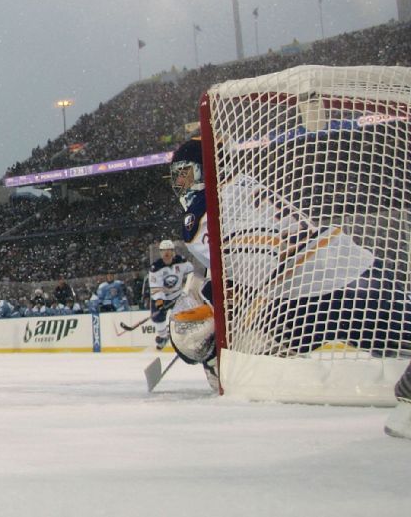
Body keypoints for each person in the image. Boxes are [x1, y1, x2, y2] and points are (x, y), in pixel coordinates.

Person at [169, 137, 411, 394]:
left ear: (205, 170)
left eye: (185, 174)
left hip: (310, 293)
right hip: (350, 262)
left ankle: (219, 365)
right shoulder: (242, 184)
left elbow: (240, 276)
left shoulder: (199, 214)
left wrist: (208, 298)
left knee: (194, 323)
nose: (180, 184)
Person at [147, 240, 194, 350]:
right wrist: (160, 301)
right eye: (163, 251)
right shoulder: (155, 268)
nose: (166, 254)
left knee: (184, 315)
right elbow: (155, 287)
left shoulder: (181, 261)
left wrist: (187, 287)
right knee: (158, 317)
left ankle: (185, 338)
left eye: (169, 251)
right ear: (160, 253)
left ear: (173, 251)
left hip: (178, 296)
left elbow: (192, 272)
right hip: (162, 297)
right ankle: (163, 337)